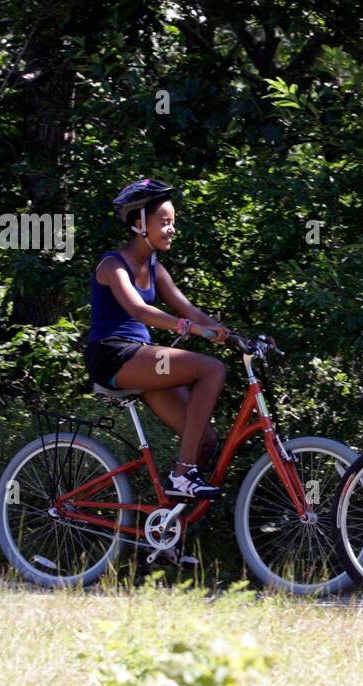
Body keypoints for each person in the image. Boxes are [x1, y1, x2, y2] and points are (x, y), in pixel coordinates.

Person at [83, 178, 232, 500]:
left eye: (173, 222)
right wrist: (189, 328)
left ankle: (169, 525)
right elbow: (139, 310)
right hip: (113, 355)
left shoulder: (155, 268)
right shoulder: (112, 265)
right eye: (164, 222)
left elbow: (191, 310)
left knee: (204, 440)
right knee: (211, 369)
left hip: (143, 359)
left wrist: (237, 339)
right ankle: (183, 474)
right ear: (140, 224)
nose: (172, 229)